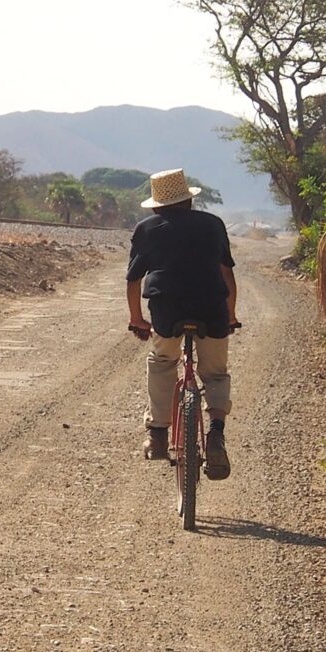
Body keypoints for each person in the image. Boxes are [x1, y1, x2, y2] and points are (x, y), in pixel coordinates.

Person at [125, 168, 239, 479]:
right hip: (211, 304)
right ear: (188, 201)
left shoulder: (146, 228)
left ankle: (159, 434)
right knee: (215, 372)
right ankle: (215, 432)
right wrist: (230, 316)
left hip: (168, 306)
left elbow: (133, 280)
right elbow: (227, 275)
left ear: (158, 205)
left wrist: (137, 319)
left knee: (163, 361)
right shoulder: (213, 225)